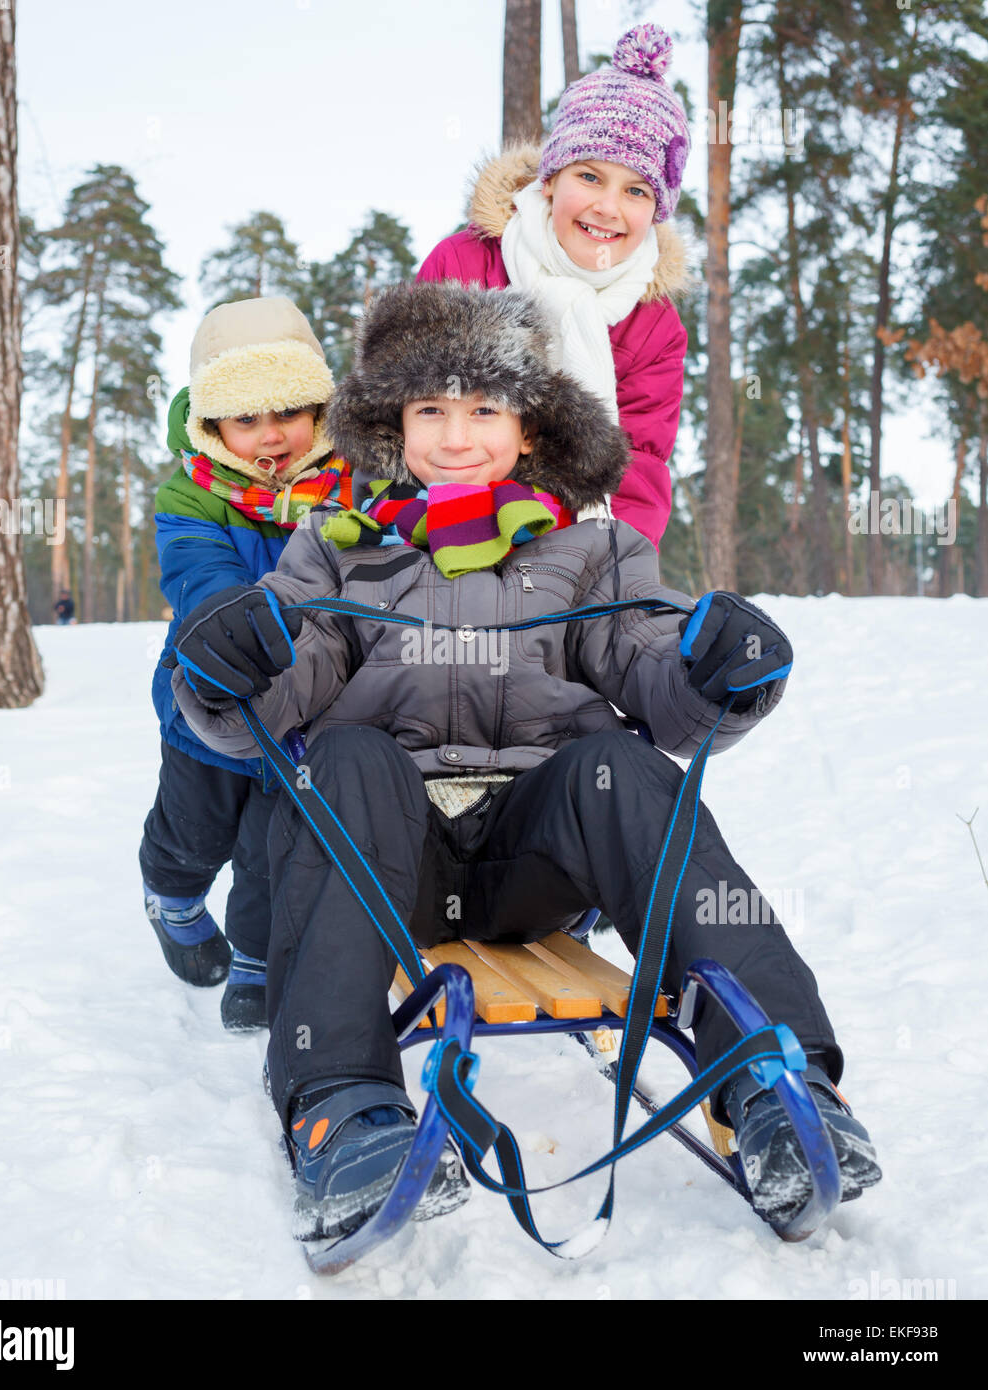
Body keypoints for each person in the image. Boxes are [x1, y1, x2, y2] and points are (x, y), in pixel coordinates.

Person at [168, 282, 881, 1242]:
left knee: (621, 767)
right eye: (430, 411)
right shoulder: (337, 554)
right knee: (340, 753)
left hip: (539, 855)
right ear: (391, 427)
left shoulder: (594, 553)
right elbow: (283, 692)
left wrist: (717, 676)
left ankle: (771, 1080)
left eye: (483, 410)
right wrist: (231, 674)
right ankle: (343, 1108)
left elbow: (653, 680)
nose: (455, 438)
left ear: (531, 426)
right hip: (388, 861)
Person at [140, 296, 353, 1031]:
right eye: (247, 418)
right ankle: (172, 895)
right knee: (195, 830)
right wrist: (233, 617)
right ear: (213, 425)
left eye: (289, 411)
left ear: (321, 410)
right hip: (213, 693)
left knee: (278, 839)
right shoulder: (191, 495)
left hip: (310, 699)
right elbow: (198, 576)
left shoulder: (356, 487)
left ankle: (259, 958)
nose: (272, 436)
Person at [418, 22, 690, 551]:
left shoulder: (654, 325)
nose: (607, 208)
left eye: (636, 190)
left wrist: (597, 559)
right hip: (444, 520)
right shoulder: (467, 263)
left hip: (575, 546)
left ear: (655, 213)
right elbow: (406, 407)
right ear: (549, 180)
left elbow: (639, 466)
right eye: (589, 177)